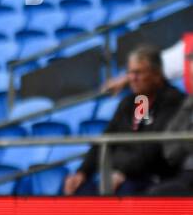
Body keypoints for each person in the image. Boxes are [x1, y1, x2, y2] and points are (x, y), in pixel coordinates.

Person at [64, 46, 188, 195]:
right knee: (78, 189)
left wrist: (122, 172)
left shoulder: (172, 101)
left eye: (138, 73)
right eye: (129, 72)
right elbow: (106, 140)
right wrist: (82, 172)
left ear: (156, 74)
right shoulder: (134, 102)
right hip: (125, 174)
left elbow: (151, 148)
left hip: (153, 177)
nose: (132, 78)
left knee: (124, 192)